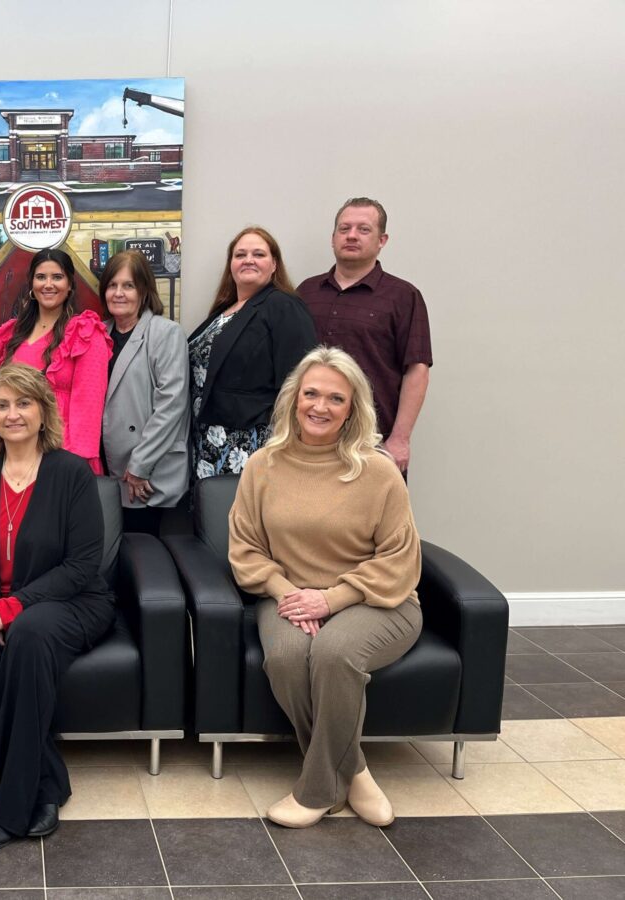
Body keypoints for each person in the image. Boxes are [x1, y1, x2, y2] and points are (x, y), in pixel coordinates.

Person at [228, 346, 422, 829]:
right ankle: (355, 772)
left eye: (336, 398)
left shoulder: (378, 470)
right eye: (311, 394)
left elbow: (400, 558)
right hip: (290, 596)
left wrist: (330, 599)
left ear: (353, 408)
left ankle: (316, 792)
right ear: (293, 399)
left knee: (335, 653)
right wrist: (288, 593)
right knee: (287, 658)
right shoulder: (262, 466)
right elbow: (245, 549)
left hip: (377, 600)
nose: (320, 406)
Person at [0, 364, 115, 851]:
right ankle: (46, 782)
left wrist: (11, 608)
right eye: (1, 405)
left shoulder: (72, 473)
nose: (13, 414)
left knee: (30, 634)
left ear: (43, 411)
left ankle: (8, 808)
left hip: (70, 601)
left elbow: (82, 565)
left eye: (24, 403)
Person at [297, 198, 432, 473]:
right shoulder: (306, 292)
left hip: (373, 442)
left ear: (382, 240)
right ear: (333, 238)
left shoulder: (403, 296)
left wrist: (400, 439)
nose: (351, 235)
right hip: (309, 438)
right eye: (344, 228)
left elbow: (417, 369)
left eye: (363, 229)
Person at [188, 227, 316, 479]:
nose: (248, 260)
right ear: (231, 265)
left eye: (258, 254)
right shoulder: (224, 312)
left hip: (249, 444)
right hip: (206, 441)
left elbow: (299, 381)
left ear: (274, 265)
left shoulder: (283, 305)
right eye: (240, 255)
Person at [0, 248, 111, 473]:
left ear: (70, 285)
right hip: (14, 453)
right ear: (31, 284)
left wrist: (75, 466)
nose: (48, 284)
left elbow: (89, 408)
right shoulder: (12, 334)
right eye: (41, 277)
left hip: (62, 454)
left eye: (57, 277)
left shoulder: (85, 332)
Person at [99, 251, 190, 535]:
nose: (118, 293)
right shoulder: (99, 333)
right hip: (106, 466)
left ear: (144, 290)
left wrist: (140, 465)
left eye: (128, 285)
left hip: (146, 470)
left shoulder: (166, 333)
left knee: (141, 549)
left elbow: (171, 406)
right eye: (112, 285)